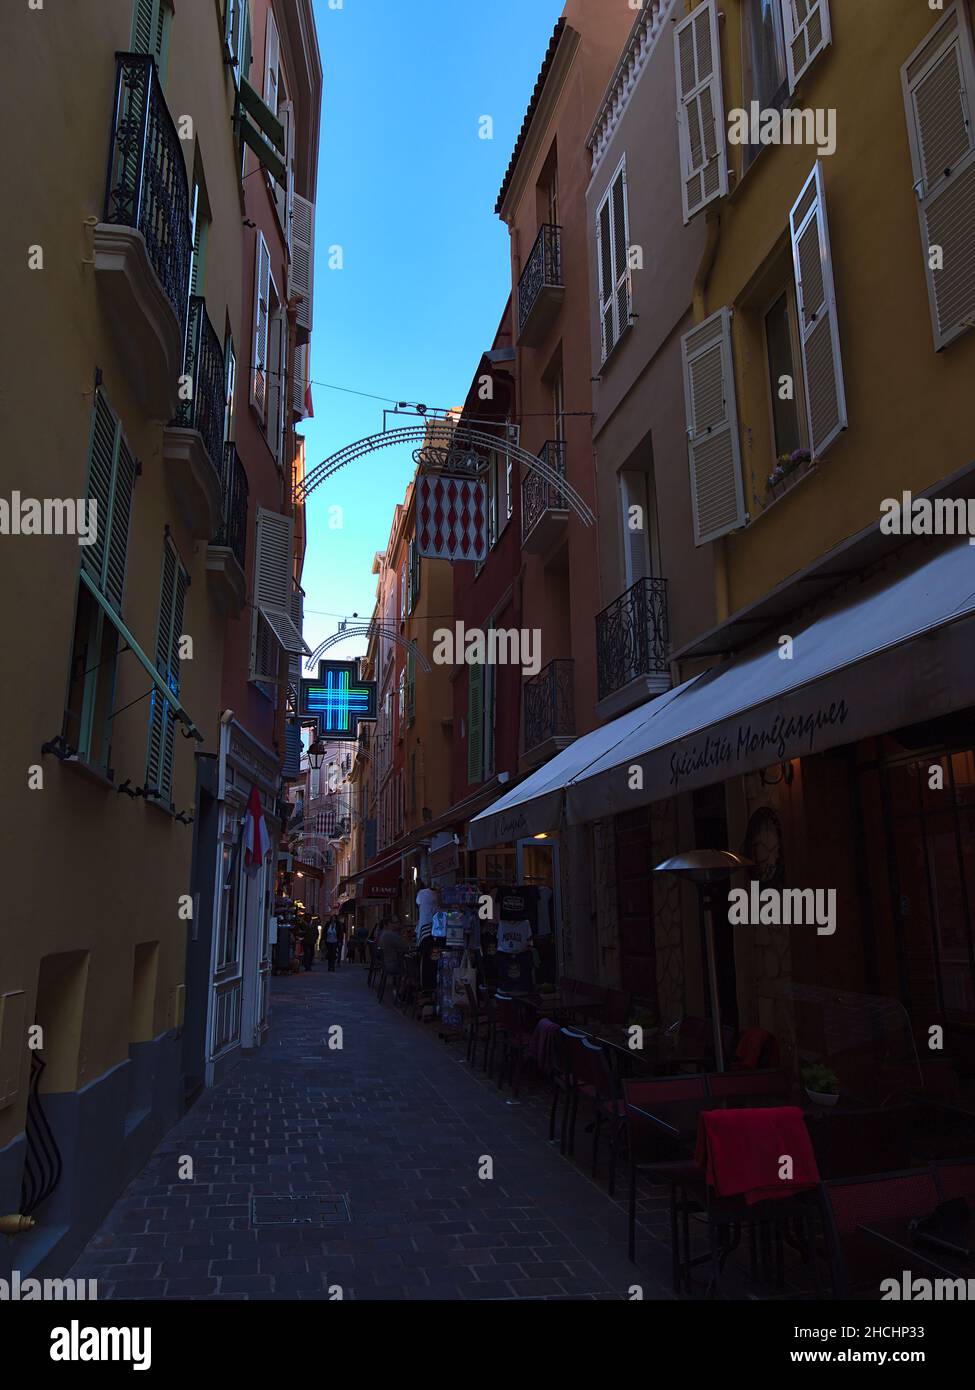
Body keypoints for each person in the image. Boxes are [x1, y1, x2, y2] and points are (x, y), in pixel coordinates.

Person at [415, 880, 439, 991]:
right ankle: (428, 989)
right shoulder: (424, 893)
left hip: (426, 931)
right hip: (431, 931)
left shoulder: (422, 893)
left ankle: (427, 989)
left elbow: (417, 904)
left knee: (427, 961)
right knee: (429, 961)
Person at [378, 916, 408, 999]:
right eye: (396, 923)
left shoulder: (384, 934)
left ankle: (401, 990)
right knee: (411, 970)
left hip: (387, 963)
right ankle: (401, 992)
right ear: (389, 924)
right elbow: (405, 946)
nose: (398, 924)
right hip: (393, 964)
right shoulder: (390, 935)